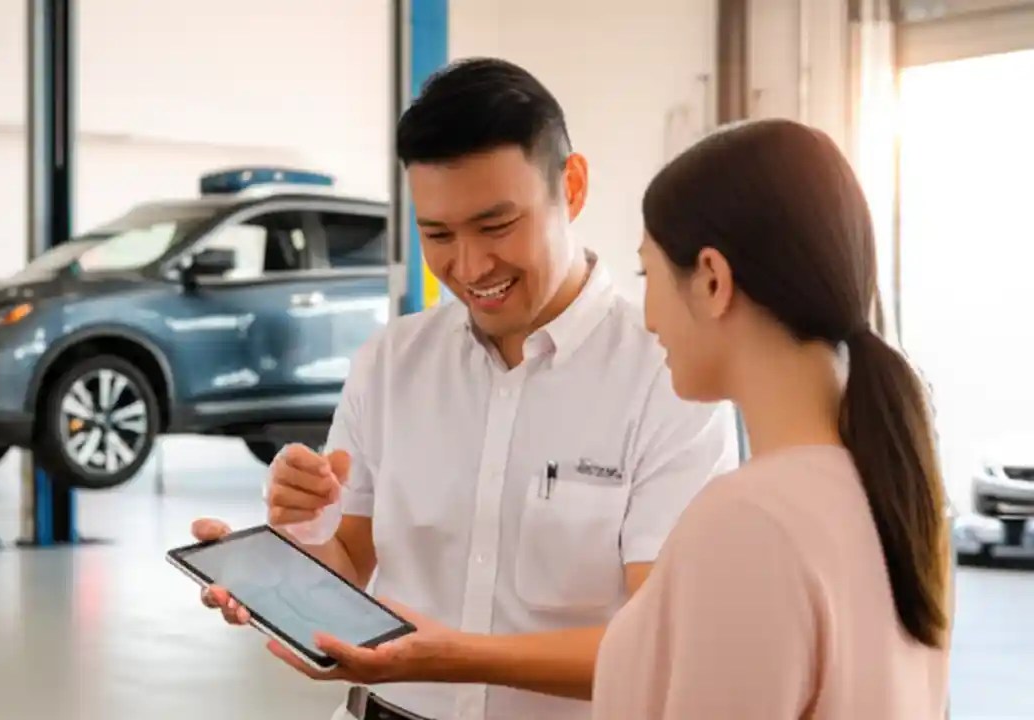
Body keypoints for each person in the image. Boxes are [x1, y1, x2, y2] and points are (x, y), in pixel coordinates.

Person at [191, 57, 738, 720]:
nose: (471, 267)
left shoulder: (664, 373)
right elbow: (352, 562)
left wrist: (454, 656)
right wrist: (294, 551)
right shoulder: (392, 362)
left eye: (497, 226)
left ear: (572, 186)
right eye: (438, 234)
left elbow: (664, 646)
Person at [589, 119, 951, 718]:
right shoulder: (899, 492)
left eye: (645, 274)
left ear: (711, 279)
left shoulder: (748, 521)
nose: (648, 318)